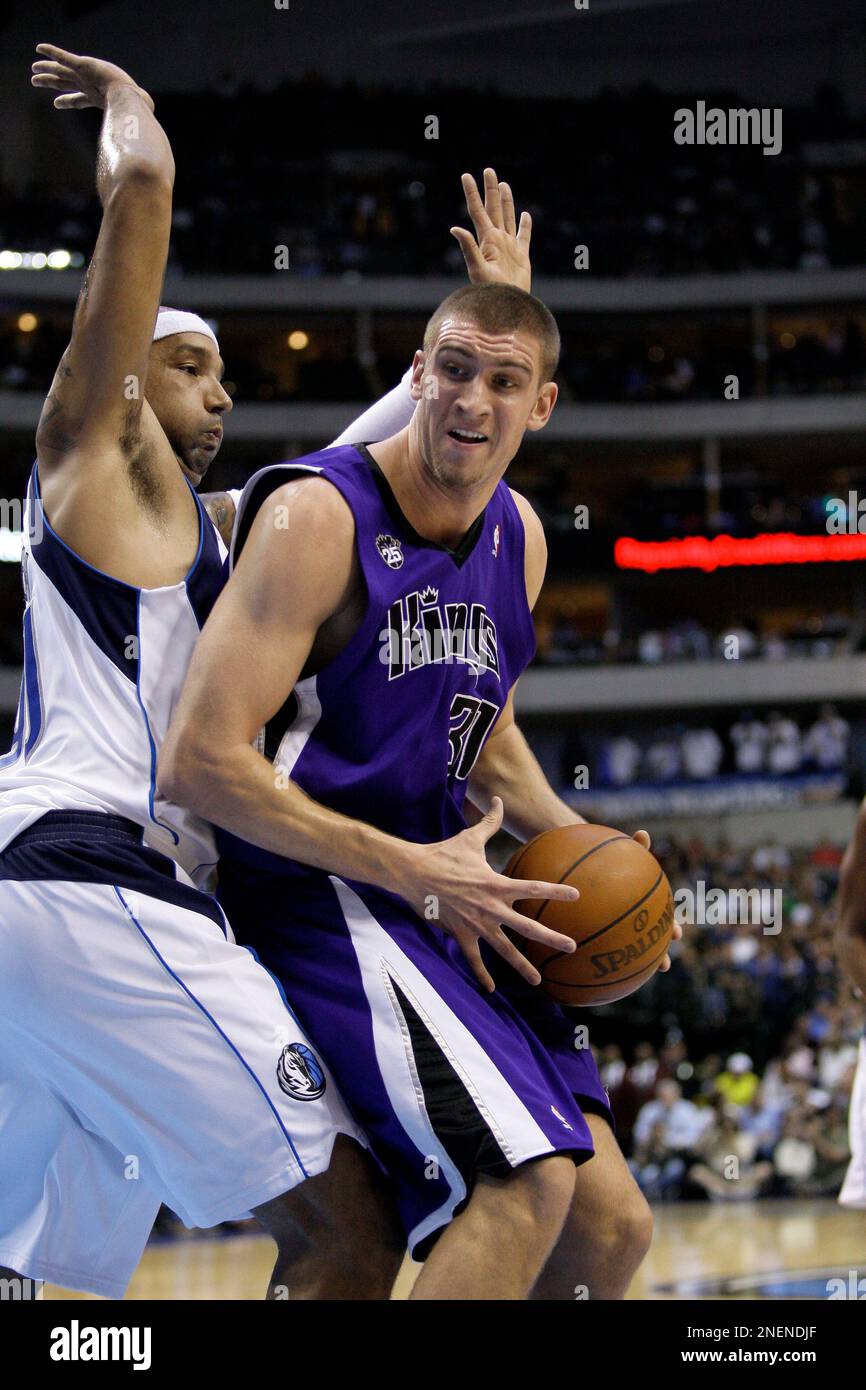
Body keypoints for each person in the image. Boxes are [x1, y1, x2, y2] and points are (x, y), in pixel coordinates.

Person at [0, 42, 451, 1302]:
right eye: (191, 366)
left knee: (45, 1275)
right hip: (99, 880)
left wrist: (443, 377)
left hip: (39, 902)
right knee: (347, 1233)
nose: (220, 394)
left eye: (225, 375)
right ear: (128, 374)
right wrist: (137, 122)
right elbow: (137, 200)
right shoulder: (92, 454)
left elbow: (330, 476)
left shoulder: (193, 539)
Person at [161, 275, 681, 1299]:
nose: (469, 401)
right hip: (316, 892)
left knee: (609, 1226)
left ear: (541, 406)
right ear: (416, 374)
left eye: (502, 380)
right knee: (522, 1184)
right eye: (450, 369)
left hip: (445, 894)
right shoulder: (318, 515)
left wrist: (588, 841)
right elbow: (201, 760)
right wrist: (414, 873)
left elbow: (481, 735)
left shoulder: (517, 536)